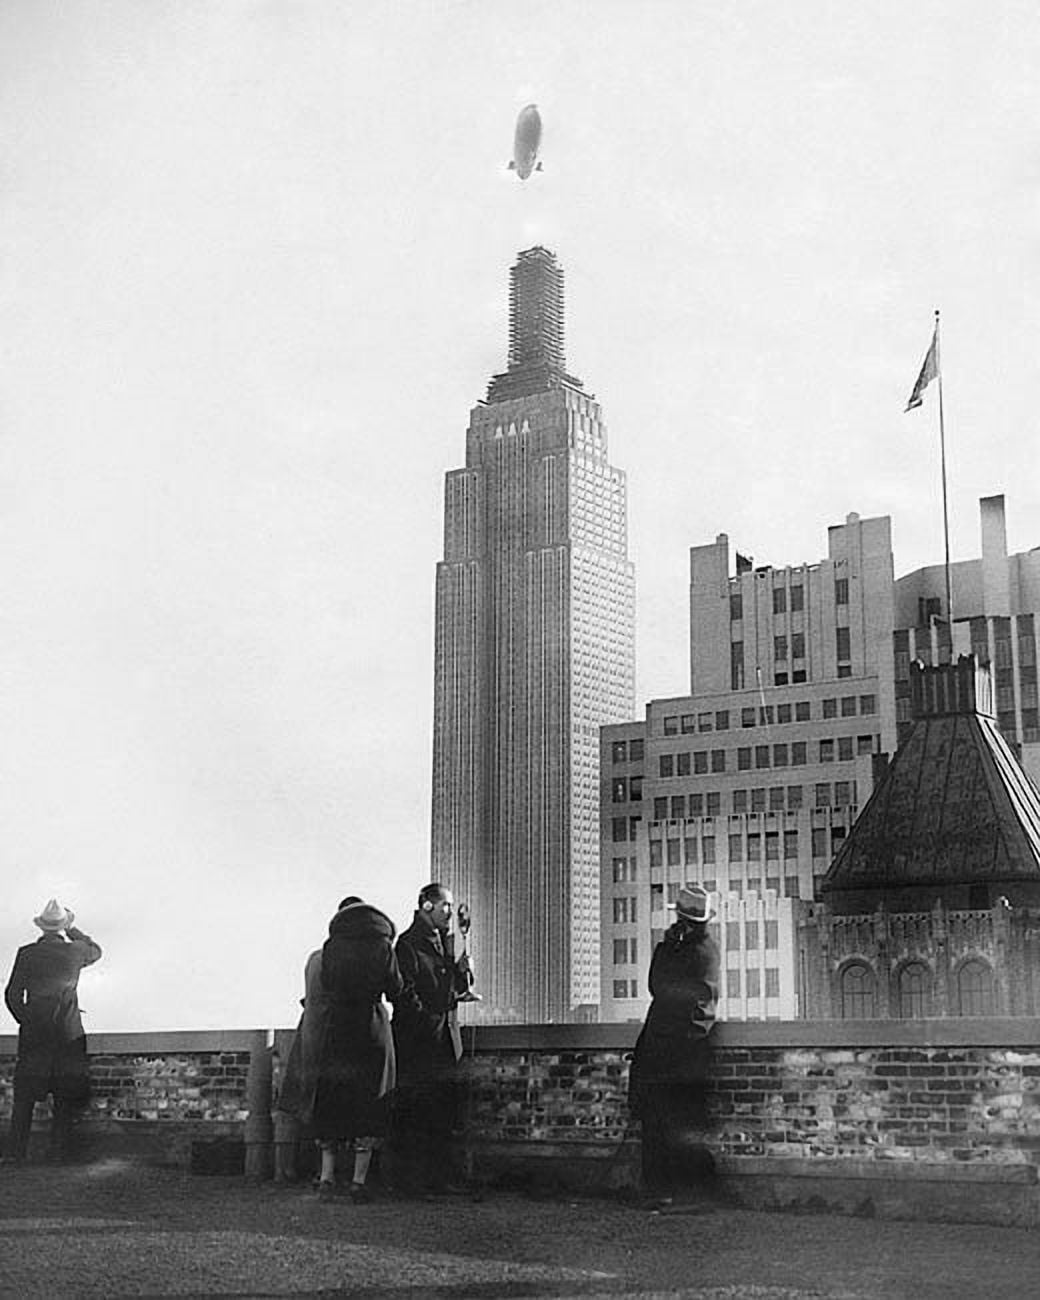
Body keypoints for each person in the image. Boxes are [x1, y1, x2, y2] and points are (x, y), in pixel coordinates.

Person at [300, 897, 404, 1202]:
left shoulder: (332, 947)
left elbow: (327, 983)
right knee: (370, 1103)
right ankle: (359, 1182)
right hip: (371, 1028)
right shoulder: (383, 946)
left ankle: (327, 1178)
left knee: (333, 1101)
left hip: (338, 1029)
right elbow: (395, 989)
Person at [627, 883, 719, 1206]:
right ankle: (663, 1190)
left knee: (671, 1123)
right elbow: (659, 986)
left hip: (679, 1051)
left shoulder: (700, 952)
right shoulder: (683, 949)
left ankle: (675, 1190)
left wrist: (669, 953)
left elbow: (672, 992)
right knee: (660, 1122)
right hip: (670, 1049)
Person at [3, 900, 103, 1164]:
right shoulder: (76, 951)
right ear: (62, 925)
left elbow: (12, 994)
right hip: (67, 1035)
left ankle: (15, 1154)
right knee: (63, 1096)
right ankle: (57, 1153)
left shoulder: (27, 954)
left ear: (42, 927)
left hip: (35, 1035)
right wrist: (73, 929)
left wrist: (27, 1020)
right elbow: (96, 950)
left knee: (24, 1097)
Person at [392, 882, 473, 1194]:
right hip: (419, 1042)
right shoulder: (408, 944)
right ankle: (415, 1181)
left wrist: (462, 972)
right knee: (418, 1113)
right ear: (427, 906)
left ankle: (438, 1179)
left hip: (443, 1041)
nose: (449, 912)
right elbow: (404, 992)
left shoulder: (443, 943)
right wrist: (428, 1020)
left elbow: (453, 990)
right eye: (445, 906)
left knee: (442, 1112)